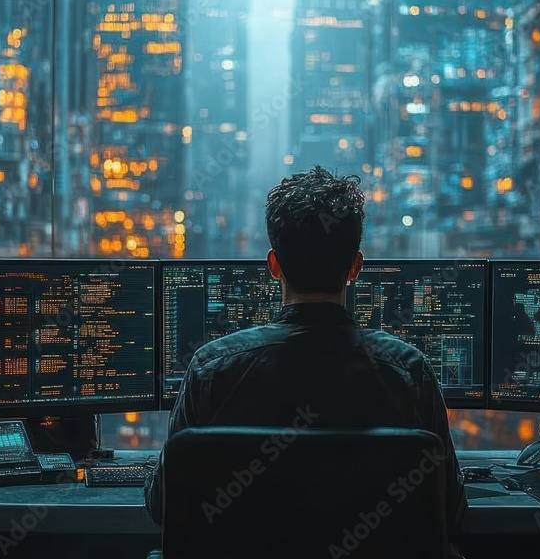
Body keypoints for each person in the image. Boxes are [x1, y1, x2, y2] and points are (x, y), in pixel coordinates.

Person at [146, 165, 465, 552]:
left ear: (274, 265)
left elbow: (163, 504)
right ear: (355, 267)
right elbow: (449, 508)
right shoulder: (409, 372)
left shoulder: (212, 368)